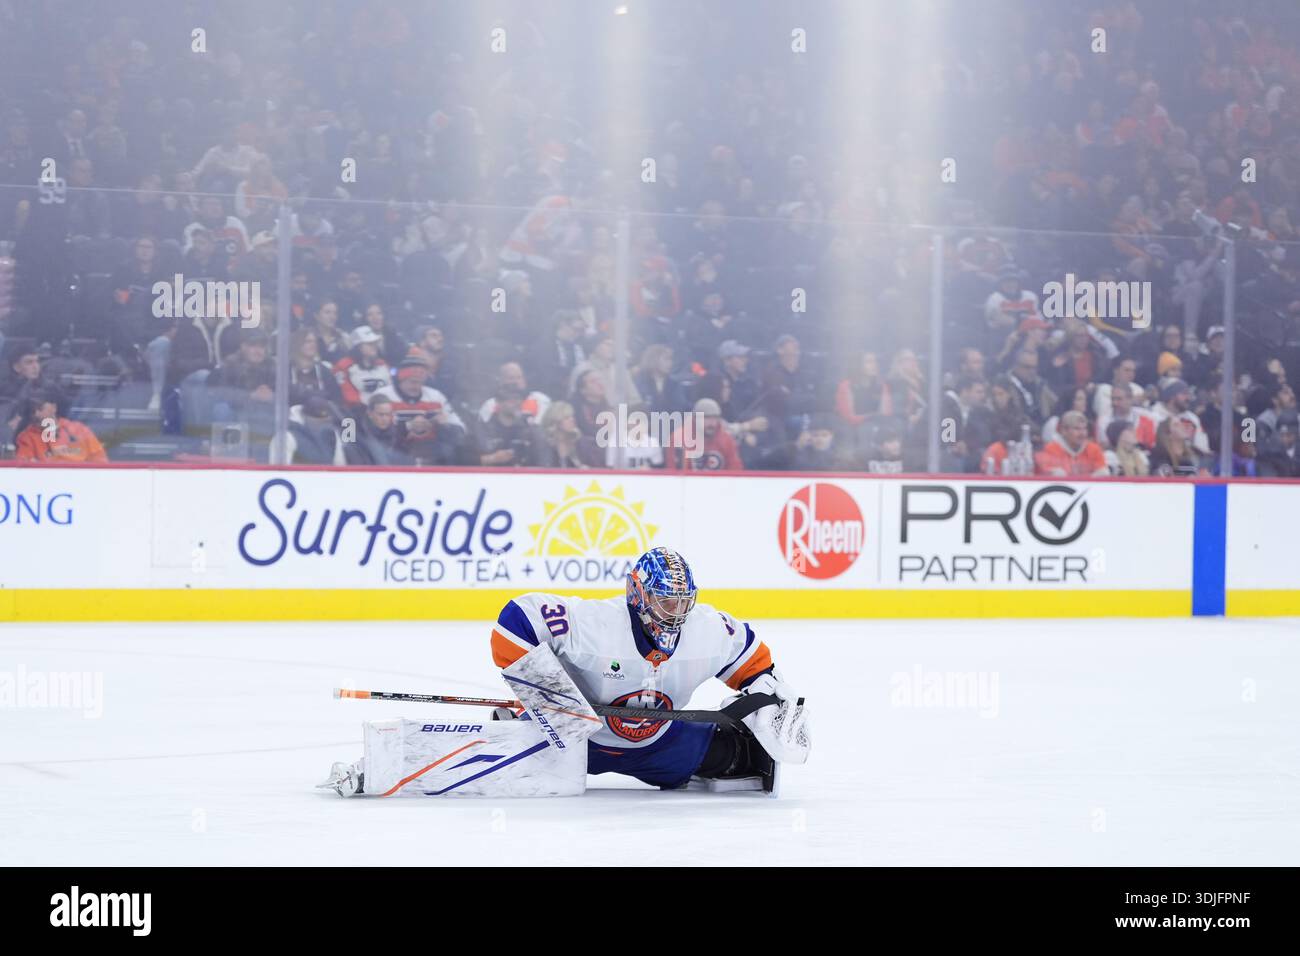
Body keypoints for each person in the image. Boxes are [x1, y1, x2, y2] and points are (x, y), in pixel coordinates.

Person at [490, 548, 809, 790]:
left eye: (683, 602)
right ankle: (514, 727)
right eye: (665, 601)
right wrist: (556, 707)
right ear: (637, 593)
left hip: (659, 746)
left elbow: (754, 660)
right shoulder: (595, 624)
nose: (676, 613)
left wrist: (768, 698)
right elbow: (515, 622)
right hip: (574, 742)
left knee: (737, 757)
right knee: (515, 753)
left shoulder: (708, 630)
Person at [14, 395, 108, 463]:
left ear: (54, 408)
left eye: (40, 408)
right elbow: (25, 466)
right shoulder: (26, 437)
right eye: (32, 411)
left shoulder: (80, 430)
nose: (36, 414)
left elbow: (100, 460)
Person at [1035, 410, 1108, 476]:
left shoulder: (1094, 449)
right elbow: (1044, 473)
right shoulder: (1051, 449)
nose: (1082, 433)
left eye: (1084, 429)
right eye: (1077, 429)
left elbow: (1103, 471)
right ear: (1064, 431)